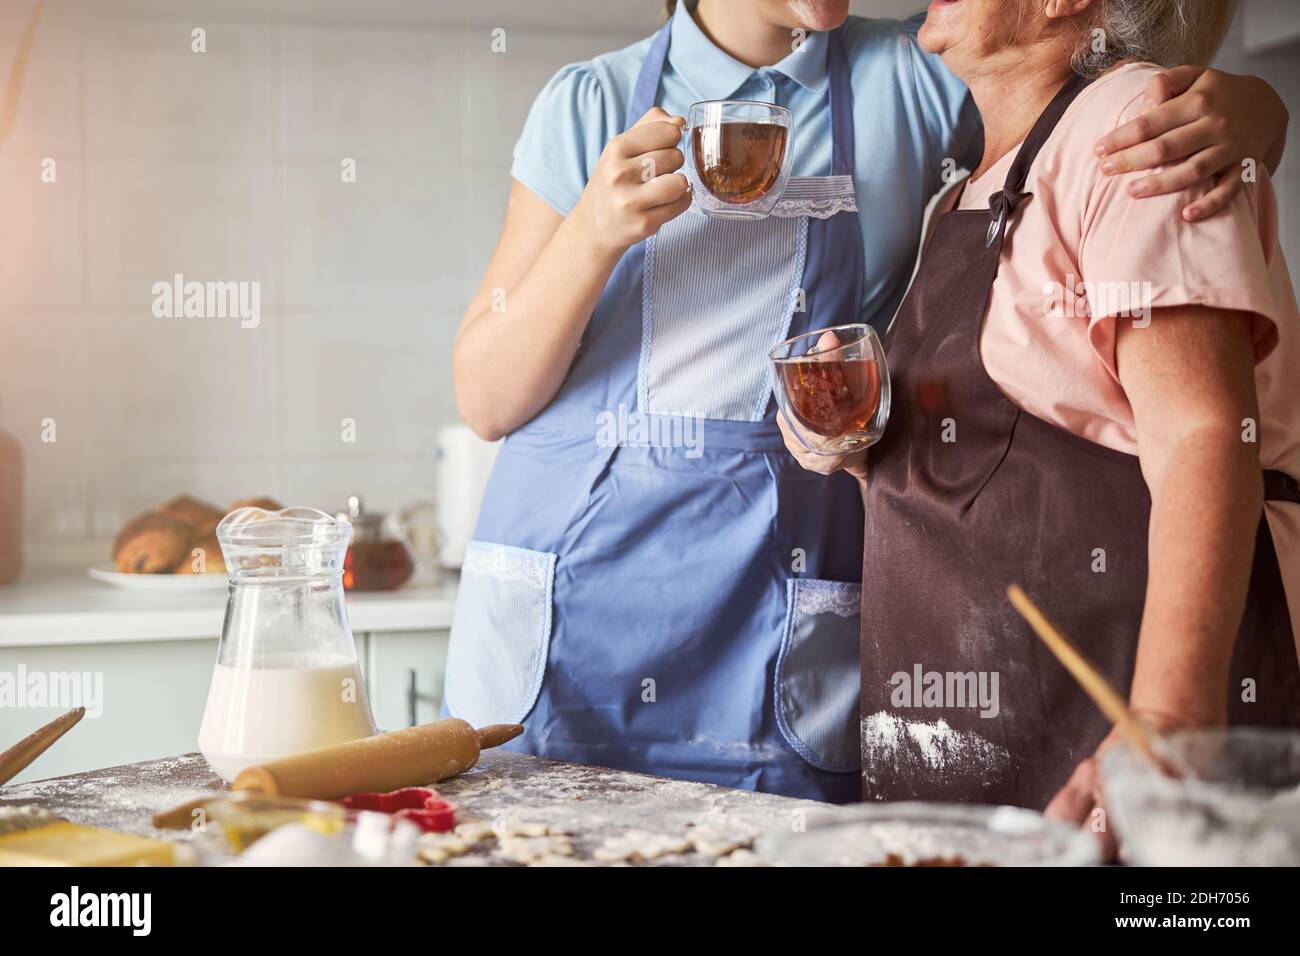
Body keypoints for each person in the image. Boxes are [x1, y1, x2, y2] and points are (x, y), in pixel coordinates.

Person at [447, 0, 1290, 802]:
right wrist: (592, 231)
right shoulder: (589, 101)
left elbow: (1087, 87)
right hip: (579, 616)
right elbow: (486, 397)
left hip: (772, 619)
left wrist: (1255, 111)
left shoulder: (913, 73)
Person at [780, 0, 1300, 839]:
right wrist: (867, 443)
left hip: (1105, 747)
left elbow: (1202, 435)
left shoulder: (1129, 129)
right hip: (973, 757)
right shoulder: (964, 192)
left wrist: (1163, 732)